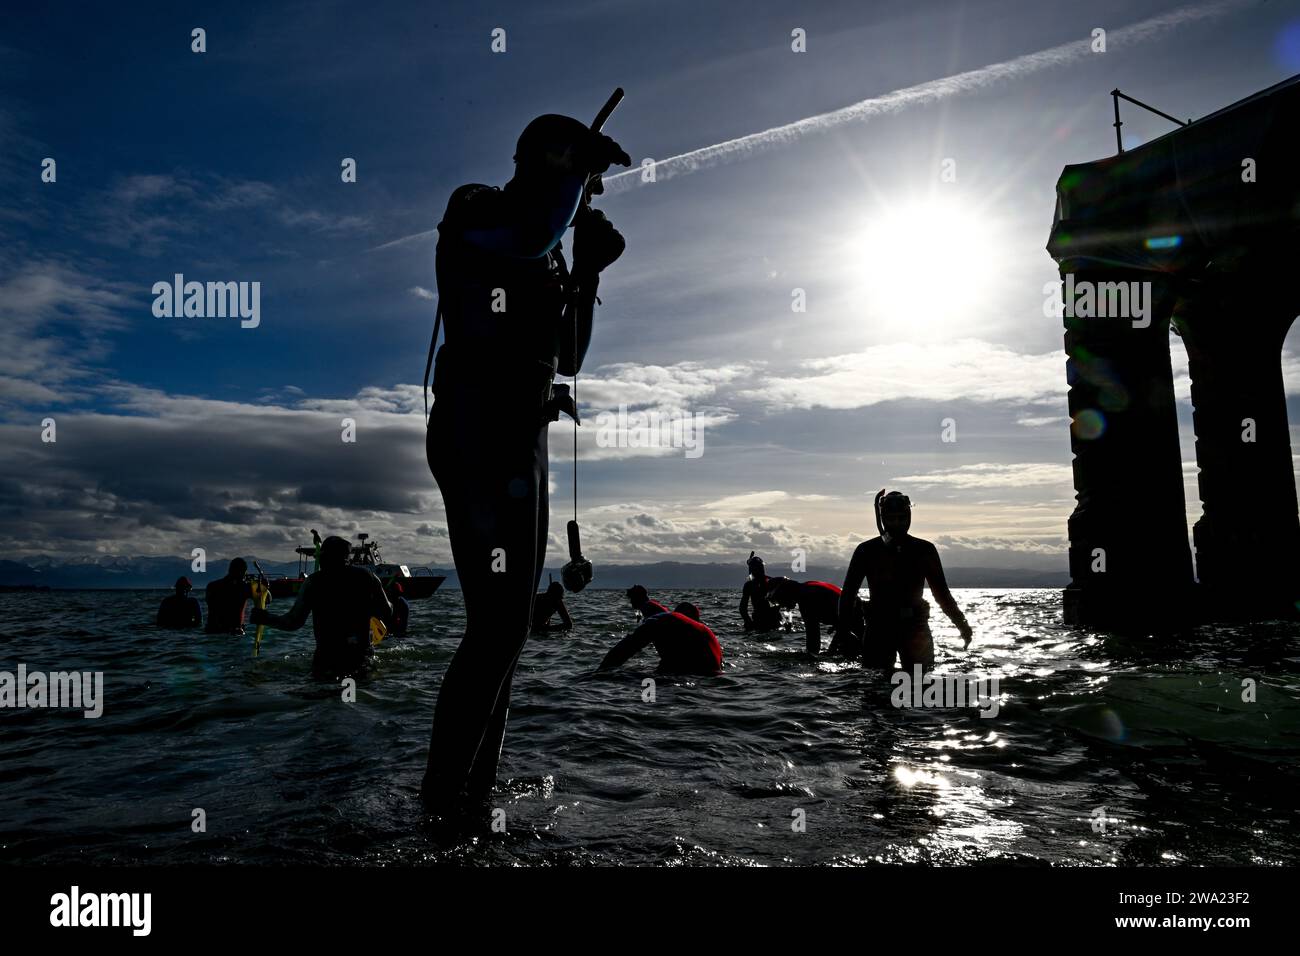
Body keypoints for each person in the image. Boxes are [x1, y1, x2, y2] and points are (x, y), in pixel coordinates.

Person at [421, 109, 630, 813]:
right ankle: (442, 809)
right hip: (478, 420)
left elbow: (568, 355)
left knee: (508, 629)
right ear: (540, 156)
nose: (581, 182)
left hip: (524, 432)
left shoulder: (550, 252)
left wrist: (591, 273)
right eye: (571, 163)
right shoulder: (479, 207)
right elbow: (529, 230)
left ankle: (473, 798)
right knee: (501, 624)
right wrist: (577, 177)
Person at [839, 490, 973, 671]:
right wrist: (843, 632)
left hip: (915, 627)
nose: (896, 524)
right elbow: (848, 594)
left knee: (920, 686)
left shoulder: (924, 550)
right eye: (891, 519)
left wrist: (962, 625)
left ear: (909, 517)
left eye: (901, 518)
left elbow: (941, 594)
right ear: (883, 519)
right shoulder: (867, 551)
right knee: (874, 689)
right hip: (879, 627)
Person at [250, 536, 393, 678]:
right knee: (356, 694)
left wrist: (265, 618)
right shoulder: (368, 577)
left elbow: (293, 622)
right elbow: (387, 610)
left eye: (322, 556)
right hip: (361, 656)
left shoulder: (313, 582)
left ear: (326, 557)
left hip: (326, 659)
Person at [598, 602, 722, 676]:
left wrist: (599, 673)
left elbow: (625, 649)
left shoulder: (659, 620)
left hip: (686, 678)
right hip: (710, 683)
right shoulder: (704, 631)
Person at [767, 577, 864, 657]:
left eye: (776, 600)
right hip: (855, 617)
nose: (781, 605)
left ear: (783, 592)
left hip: (852, 620)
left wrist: (810, 659)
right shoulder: (807, 587)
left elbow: (813, 642)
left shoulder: (805, 599)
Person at [205, 558, 255, 635]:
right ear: (243, 572)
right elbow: (267, 599)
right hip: (234, 632)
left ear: (230, 569)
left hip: (212, 631)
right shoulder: (244, 588)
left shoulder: (212, 586)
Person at [739, 551, 780, 632]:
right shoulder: (750, 585)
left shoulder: (769, 582)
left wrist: (748, 621)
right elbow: (742, 608)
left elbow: (743, 608)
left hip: (770, 619)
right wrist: (748, 621)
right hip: (765, 619)